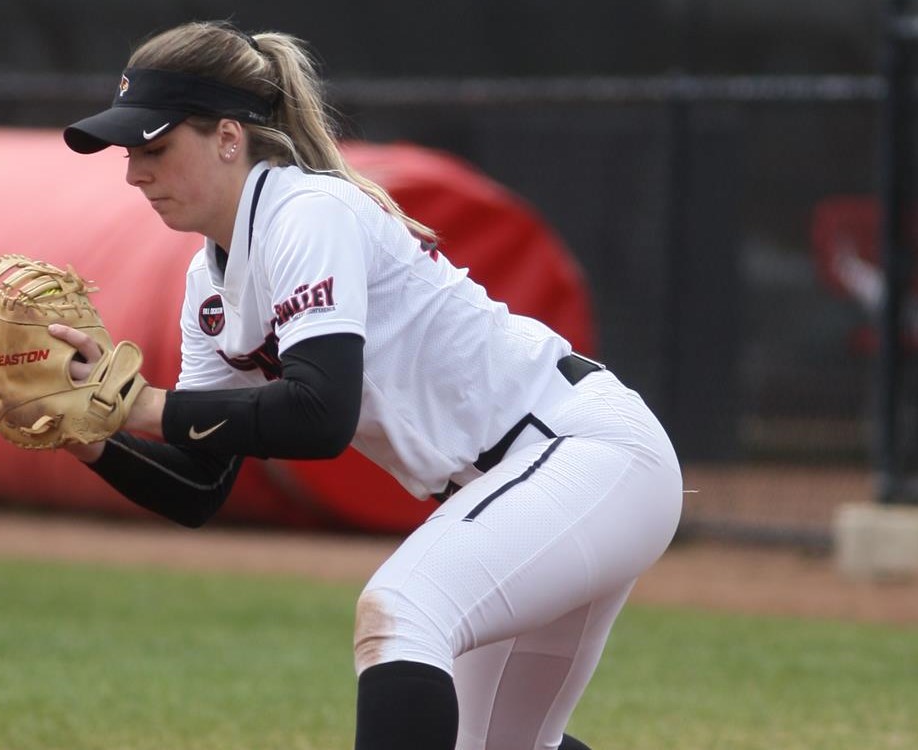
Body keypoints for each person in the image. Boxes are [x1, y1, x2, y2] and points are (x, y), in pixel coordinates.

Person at [53, 20, 683, 750]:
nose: (134, 172)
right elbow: (198, 486)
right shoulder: (210, 280)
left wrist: (148, 405)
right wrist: (92, 432)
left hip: (579, 451)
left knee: (403, 609)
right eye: (130, 152)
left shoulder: (305, 211)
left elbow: (320, 414)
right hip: (523, 480)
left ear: (229, 137)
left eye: (154, 147)